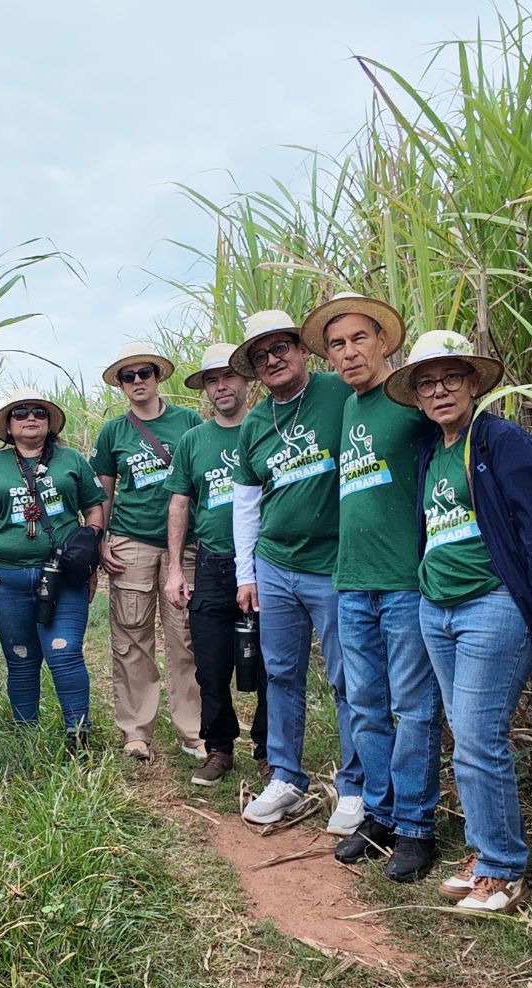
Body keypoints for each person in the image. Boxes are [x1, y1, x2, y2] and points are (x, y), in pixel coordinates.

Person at [383, 330, 532, 914]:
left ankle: (504, 871)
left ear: (472, 384)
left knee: (475, 736)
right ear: (417, 397)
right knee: (467, 737)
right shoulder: (431, 453)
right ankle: (486, 854)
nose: (439, 391)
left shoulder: (501, 441)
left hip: (491, 605)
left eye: (450, 379)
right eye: (427, 384)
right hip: (435, 607)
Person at [302, 295, 442, 881]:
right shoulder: (348, 410)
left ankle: (416, 827)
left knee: (413, 707)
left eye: (360, 338)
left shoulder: (410, 404)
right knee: (364, 704)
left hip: (405, 581)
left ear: (384, 341)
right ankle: (380, 813)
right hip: (351, 581)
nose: (349, 352)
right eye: (337, 344)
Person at [226, 309, 363, 834]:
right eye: (260, 356)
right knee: (280, 673)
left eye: (280, 347)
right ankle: (286, 775)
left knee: (347, 675)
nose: (272, 360)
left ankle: (355, 788)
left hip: (333, 563)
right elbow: (246, 505)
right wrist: (247, 573)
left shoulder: (339, 396)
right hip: (275, 565)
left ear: (302, 350)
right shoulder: (256, 424)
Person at [0, 388, 107, 749]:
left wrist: (89, 549)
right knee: (21, 656)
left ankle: (78, 735)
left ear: (49, 424)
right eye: (21, 413)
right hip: (4, 578)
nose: (31, 418)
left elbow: (94, 509)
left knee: (64, 651)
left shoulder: (72, 460)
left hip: (62, 576)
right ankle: (26, 734)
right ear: (8, 427)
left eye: (39, 413)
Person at [164, 343, 269, 785]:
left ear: (246, 380)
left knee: (269, 663)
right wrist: (174, 568)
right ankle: (220, 749)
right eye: (212, 380)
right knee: (210, 664)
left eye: (228, 376)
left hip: (267, 563)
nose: (221, 386)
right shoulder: (194, 440)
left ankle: (269, 751)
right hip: (211, 563)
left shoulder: (268, 426)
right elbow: (180, 503)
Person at [94, 342, 204, 762]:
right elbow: (104, 490)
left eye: (145, 373)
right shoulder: (113, 432)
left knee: (185, 637)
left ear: (158, 377)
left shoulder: (188, 422)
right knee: (131, 638)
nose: (138, 381)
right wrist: (101, 538)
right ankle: (136, 731)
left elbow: (201, 482)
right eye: (128, 376)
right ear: (121, 385)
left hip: (186, 544)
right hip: (131, 541)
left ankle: (193, 731)